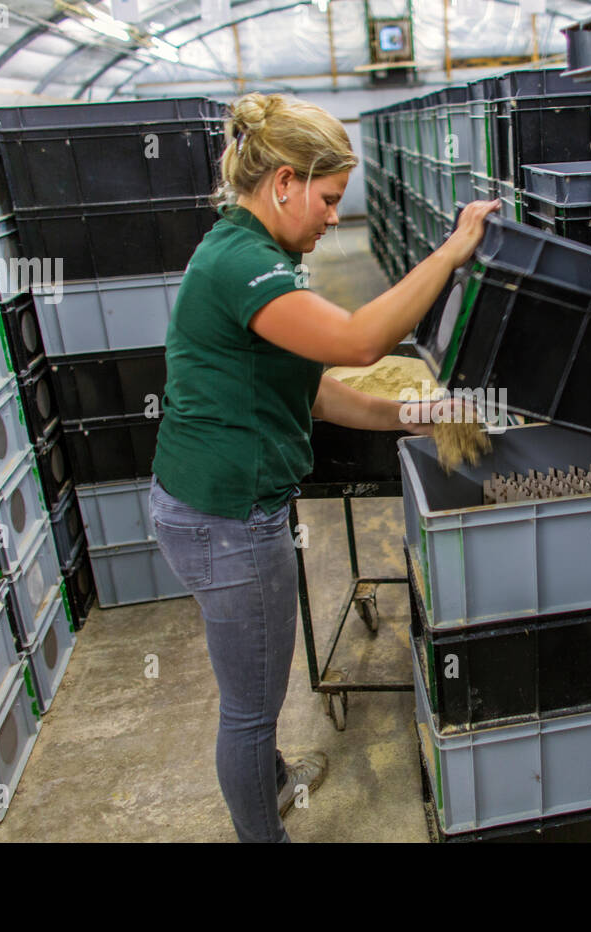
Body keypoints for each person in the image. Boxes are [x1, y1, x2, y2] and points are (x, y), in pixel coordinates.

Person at [148, 91, 500, 843]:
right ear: (283, 183)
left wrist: (420, 413)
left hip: (215, 508)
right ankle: (263, 828)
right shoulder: (245, 266)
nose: (334, 217)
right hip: (226, 520)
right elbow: (362, 341)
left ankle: (271, 781)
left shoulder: (254, 255)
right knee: (249, 710)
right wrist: (451, 249)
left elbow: (318, 394)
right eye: (329, 198)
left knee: (252, 696)